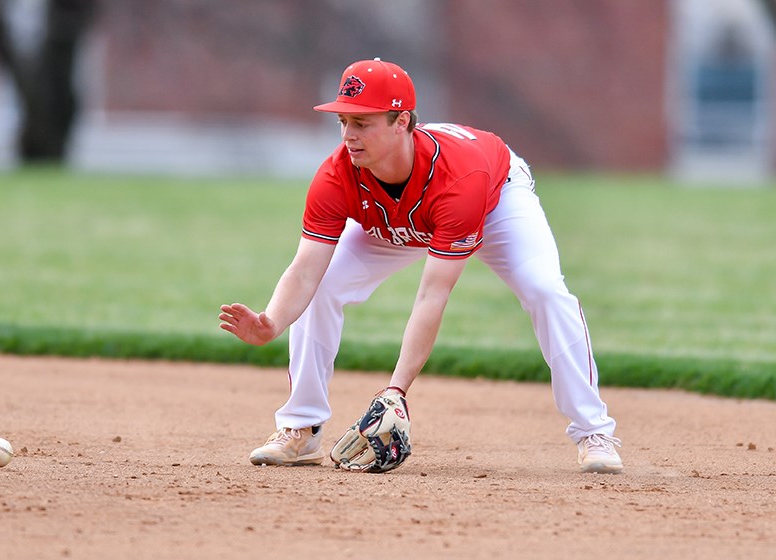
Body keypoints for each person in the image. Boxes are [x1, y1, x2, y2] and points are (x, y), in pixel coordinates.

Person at [219, 58, 623, 474]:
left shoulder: (460, 181)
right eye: (344, 121)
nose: (348, 135)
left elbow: (433, 294)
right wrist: (271, 322)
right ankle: (301, 427)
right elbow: (306, 270)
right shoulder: (336, 175)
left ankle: (594, 431)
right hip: (397, 216)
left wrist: (396, 390)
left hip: (494, 198)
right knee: (321, 287)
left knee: (544, 290)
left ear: (402, 122)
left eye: (362, 123)